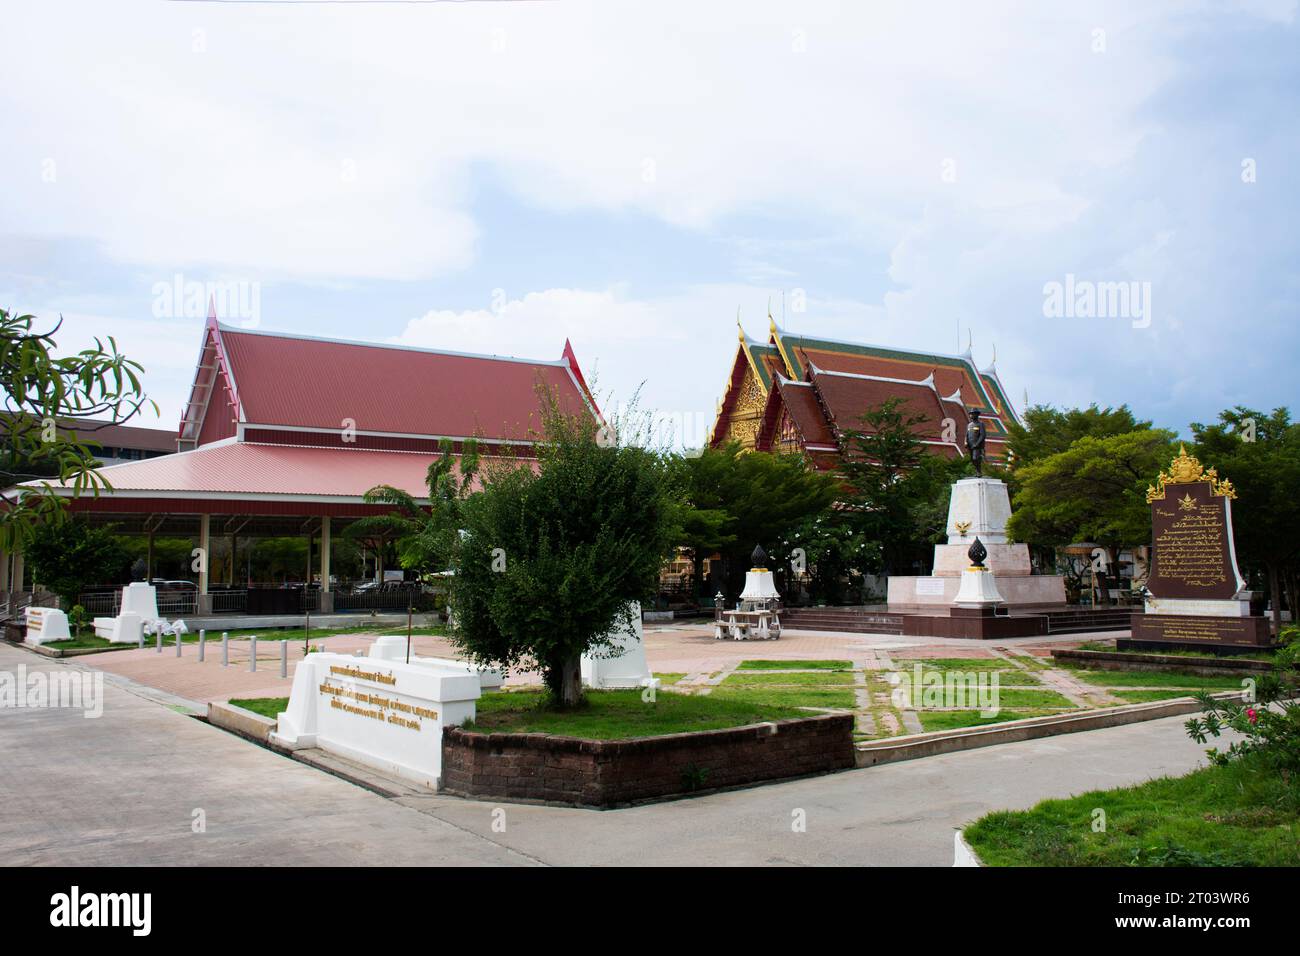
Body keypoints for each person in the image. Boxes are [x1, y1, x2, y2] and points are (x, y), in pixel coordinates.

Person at [965, 408, 988, 476]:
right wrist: (965, 442)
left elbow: (982, 435)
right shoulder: (969, 425)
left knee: (975, 458)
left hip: (977, 445)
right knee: (972, 459)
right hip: (970, 445)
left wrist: (977, 444)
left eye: (973, 414)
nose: (971, 415)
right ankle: (977, 471)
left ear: (977, 415)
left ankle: (979, 472)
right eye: (970, 414)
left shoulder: (980, 424)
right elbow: (967, 434)